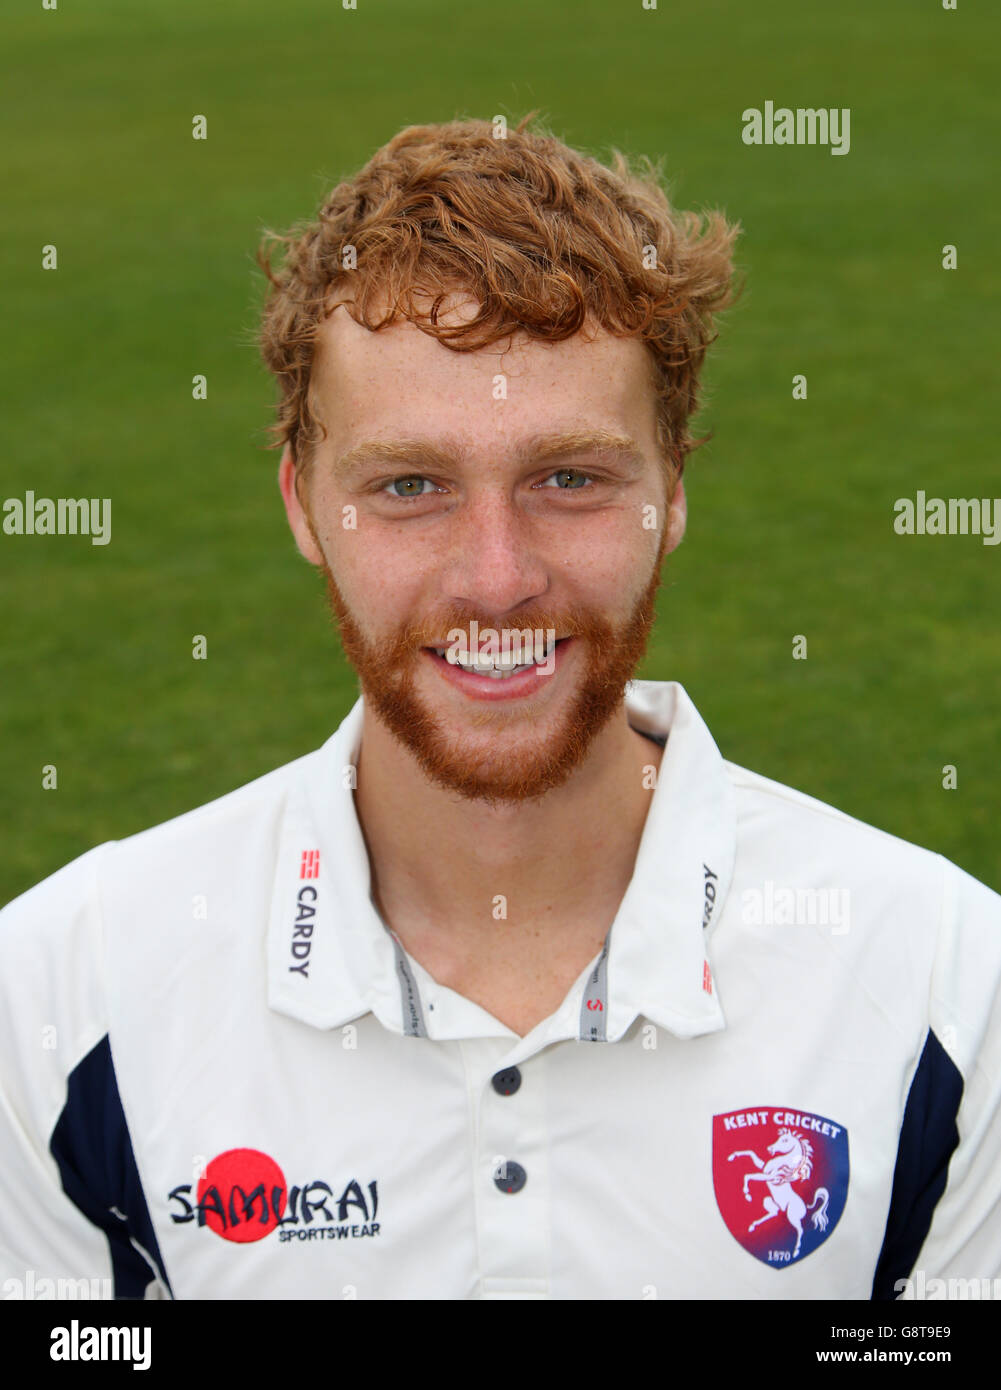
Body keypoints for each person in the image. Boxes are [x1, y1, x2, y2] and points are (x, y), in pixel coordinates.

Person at [1, 115, 999, 1303]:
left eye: (568, 478)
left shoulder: (947, 986)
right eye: (409, 485)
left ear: (670, 490)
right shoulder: (62, 999)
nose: (495, 576)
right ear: (304, 507)